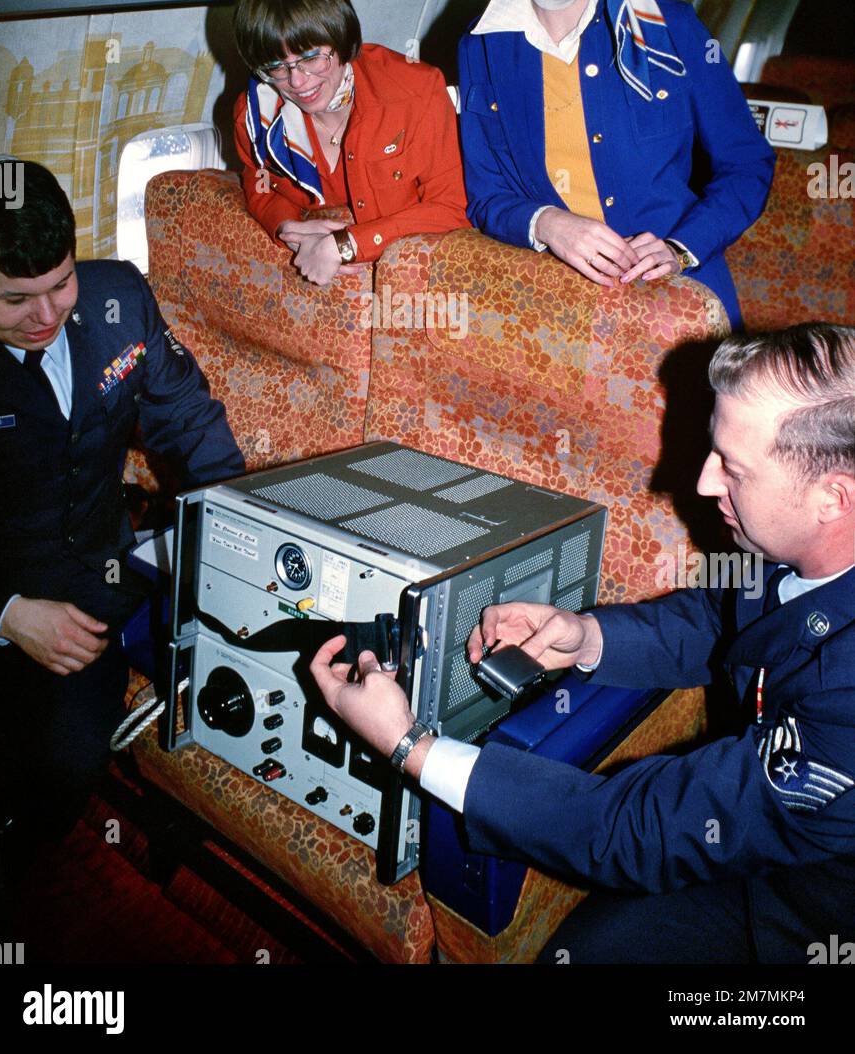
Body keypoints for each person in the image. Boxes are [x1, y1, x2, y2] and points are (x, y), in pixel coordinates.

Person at [311, 322, 855, 963]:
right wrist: (586, 636)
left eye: (733, 469)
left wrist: (410, 747)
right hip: (761, 847)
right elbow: (719, 617)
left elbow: (635, 829)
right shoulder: (794, 547)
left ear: (832, 498)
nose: (704, 483)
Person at [0, 160, 244, 852]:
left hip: (97, 589)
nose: (45, 316)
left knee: (65, 767)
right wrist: (6, 613)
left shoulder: (118, 296)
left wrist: (236, 534)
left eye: (60, 283)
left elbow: (188, 420)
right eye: (14, 300)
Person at [458, 0, 776, 329]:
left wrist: (682, 247)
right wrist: (549, 224)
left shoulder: (670, 29)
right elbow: (485, 195)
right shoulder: (483, 44)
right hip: (555, 304)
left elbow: (747, 164)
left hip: (677, 301)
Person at [233, 0, 470, 287]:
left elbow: (453, 207)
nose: (298, 82)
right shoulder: (257, 115)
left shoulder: (417, 91)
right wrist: (287, 227)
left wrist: (346, 244)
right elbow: (258, 182)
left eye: (312, 58)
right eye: (276, 66)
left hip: (416, 285)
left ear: (340, 35)